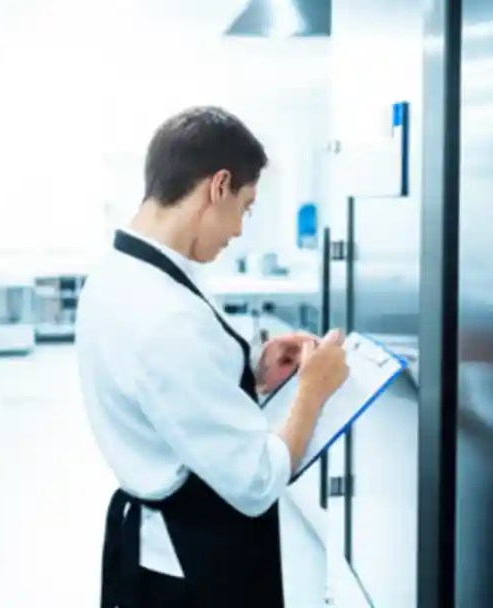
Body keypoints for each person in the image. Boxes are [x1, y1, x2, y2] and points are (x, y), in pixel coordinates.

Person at [76, 106, 348, 607]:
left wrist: (250, 371)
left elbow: (163, 391)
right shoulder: (165, 314)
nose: (240, 229)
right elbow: (256, 480)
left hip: (159, 548)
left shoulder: (119, 275)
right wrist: (312, 391)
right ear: (218, 186)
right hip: (195, 566)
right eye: (246, 206)